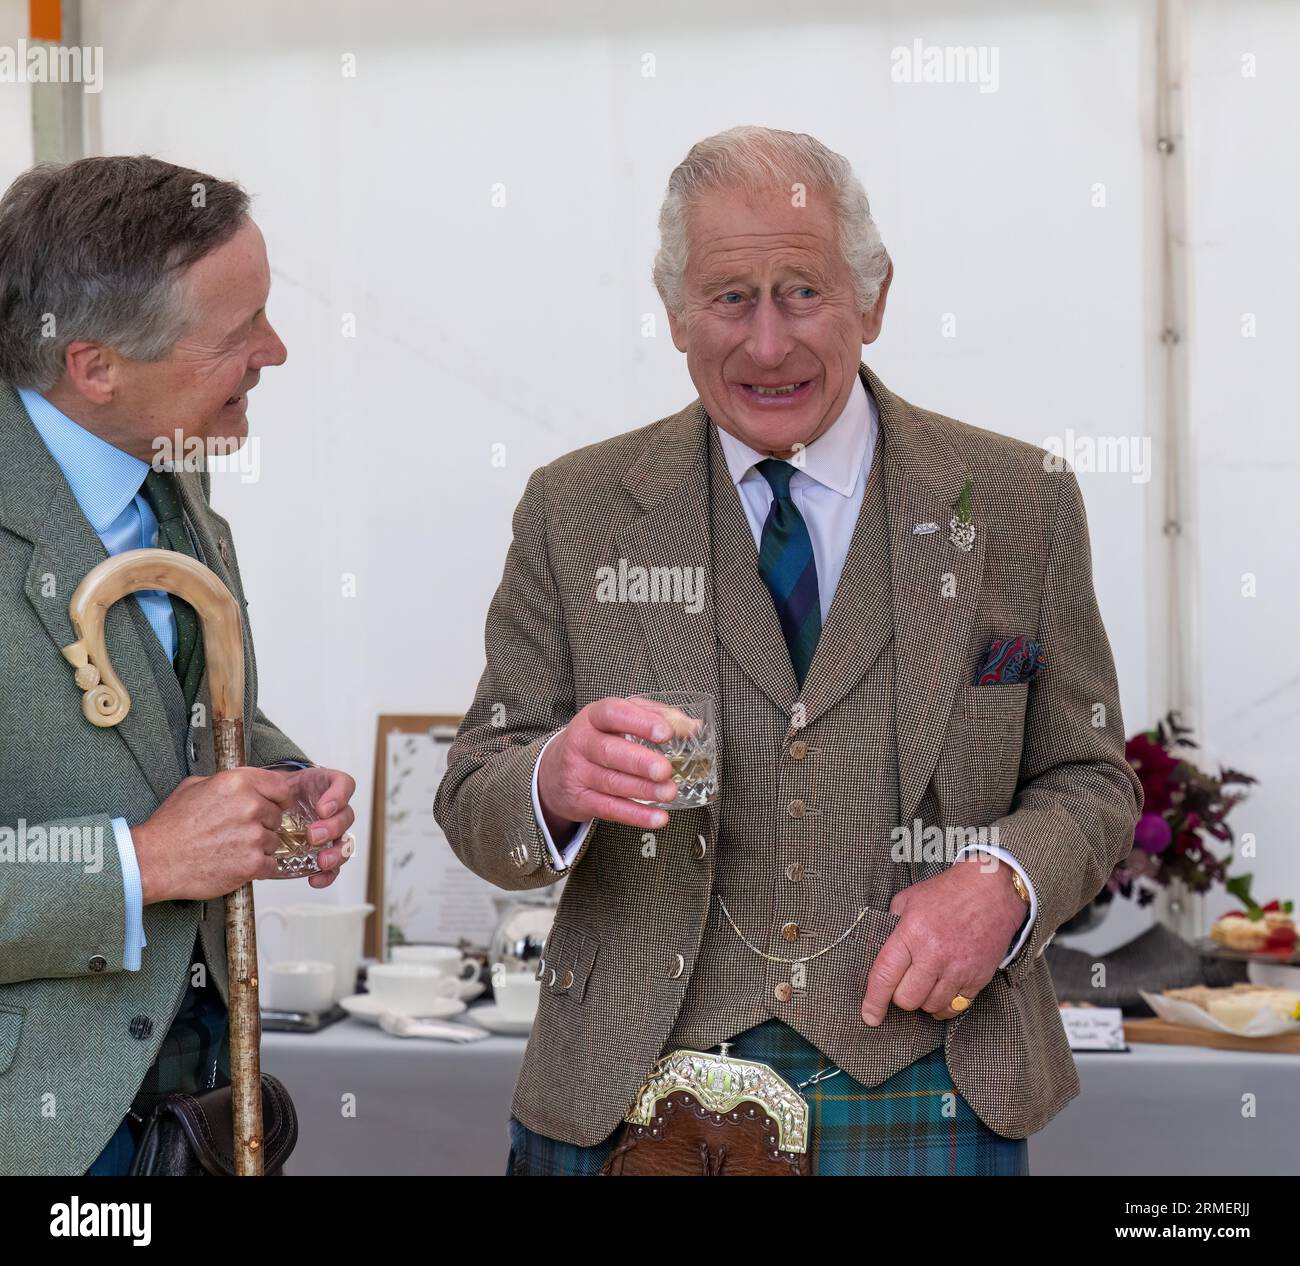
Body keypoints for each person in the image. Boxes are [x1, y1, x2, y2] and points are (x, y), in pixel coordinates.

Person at [435, 125, 1142, 1175]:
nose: (766, 345)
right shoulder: (574, 510)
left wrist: (1002, 880)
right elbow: (473, 801)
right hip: (628, 1098)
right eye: (729, 299)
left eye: (801, 293)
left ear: (874, 296)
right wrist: (550, 777)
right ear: (676, 314)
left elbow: (1090, 779)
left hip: (930, 1087)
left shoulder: (1014, 503)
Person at [0, 156, 357, 1175]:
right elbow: (147, 829)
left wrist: (278, 778)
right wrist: (141, 863)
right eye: (239, 330)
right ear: (95, 365)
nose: (275, 351)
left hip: (197, 1113)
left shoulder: (177, 490)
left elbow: (158, 730)